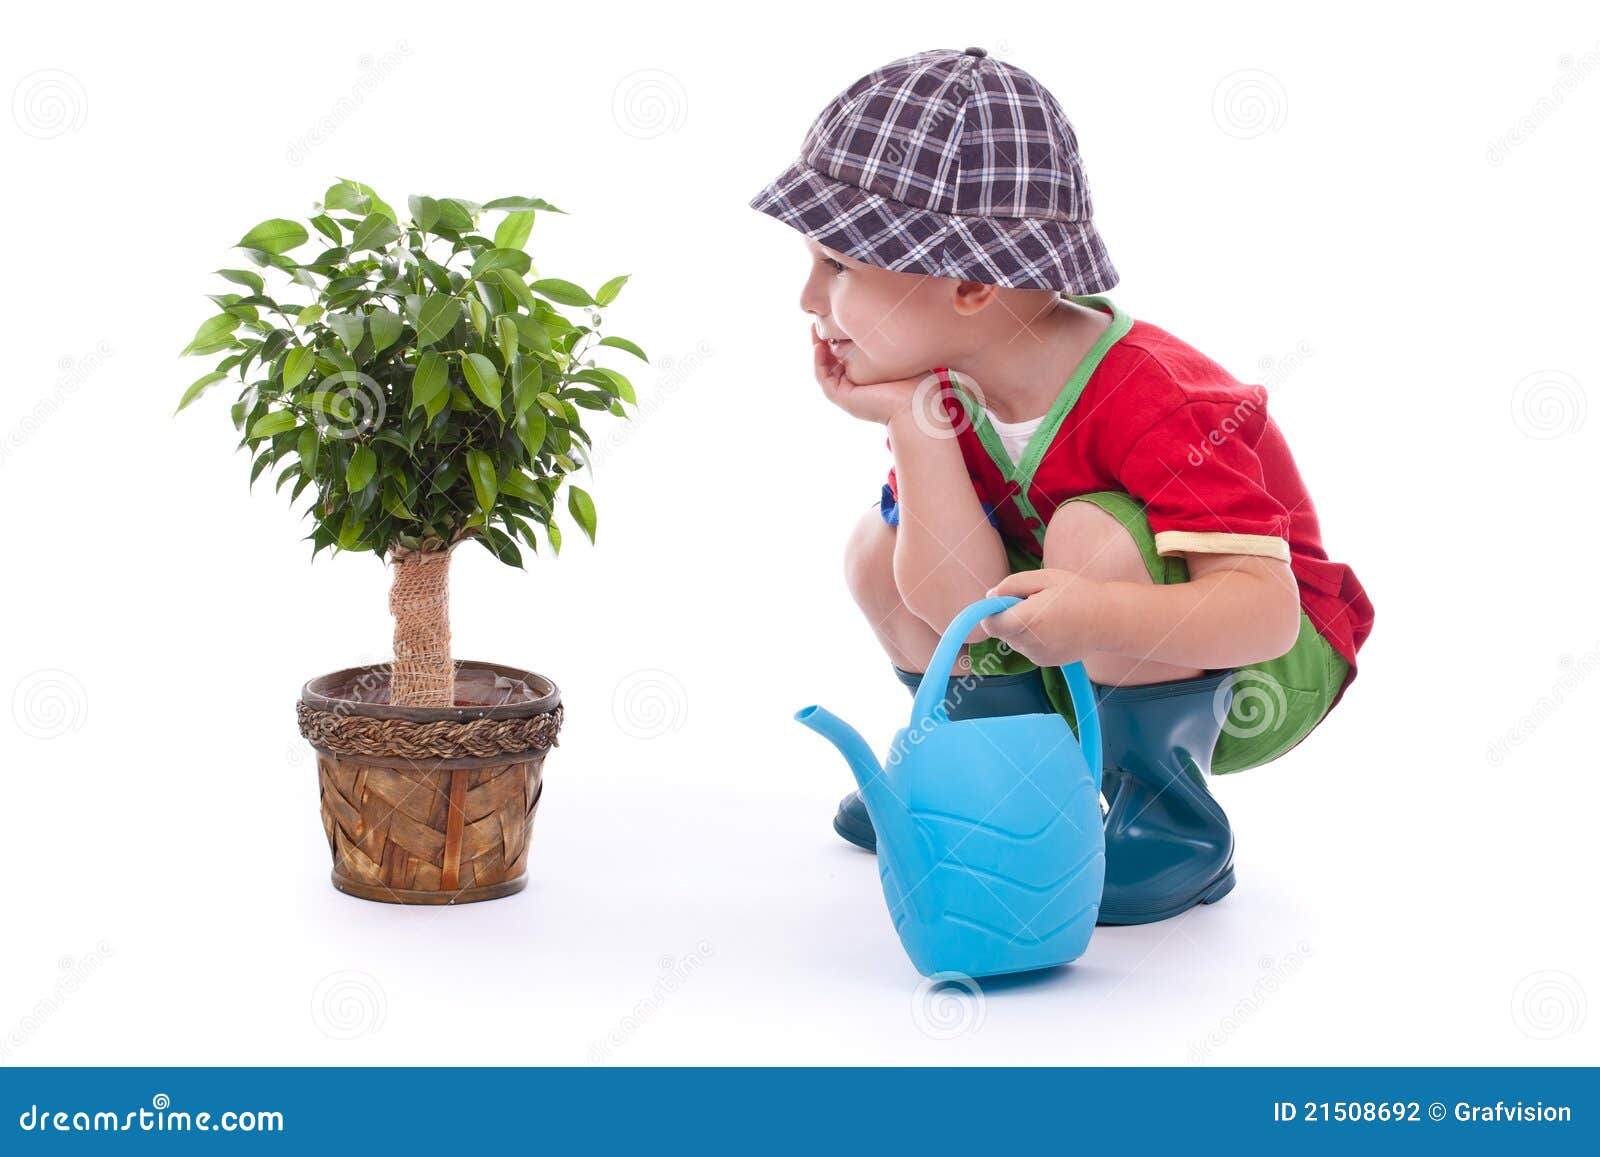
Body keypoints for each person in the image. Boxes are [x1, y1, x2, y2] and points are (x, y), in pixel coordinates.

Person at [749, 48, 1374, 925]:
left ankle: (1171, 820)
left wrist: (1094, 616)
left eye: (840, 265)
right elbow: (955, 599)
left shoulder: (1162, 398)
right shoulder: (948, 383)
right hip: (1075, 638)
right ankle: (1003, 779)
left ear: (968, 281)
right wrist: (912, 424)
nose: (808, 297)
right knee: (876, 547)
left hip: (1259, 659)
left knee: (1091, 533)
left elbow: (1262, 609)